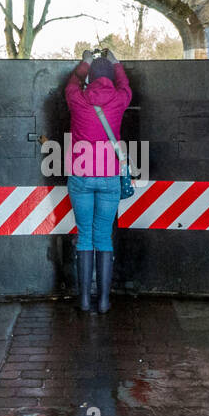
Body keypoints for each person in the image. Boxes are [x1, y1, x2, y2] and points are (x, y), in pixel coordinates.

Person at [64, 47, 133, 313]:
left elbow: (71, 81)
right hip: (108, 177)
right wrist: (116, 63)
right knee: (104, 238)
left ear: (90, 78)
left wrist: (85, 62)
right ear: (110, 78)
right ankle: (103, 302)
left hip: (81, 175)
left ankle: (83, 300)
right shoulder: (119, 99)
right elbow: (126, 85)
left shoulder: (76, 98)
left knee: (84, 237)